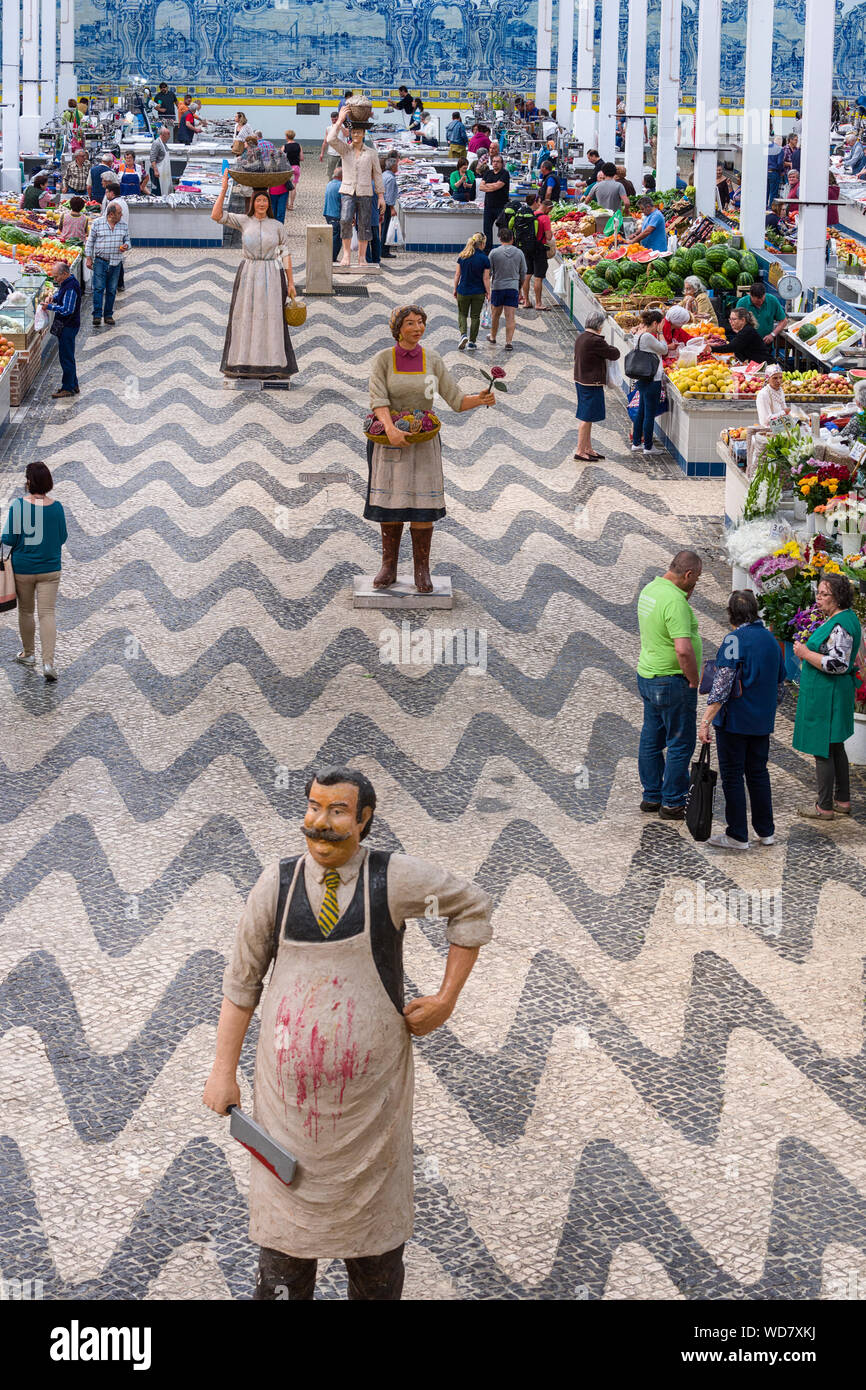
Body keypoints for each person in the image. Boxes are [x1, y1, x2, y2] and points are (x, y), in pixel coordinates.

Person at [203, 767, 492, 1301]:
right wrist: (223, 1071)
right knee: (285, 1252)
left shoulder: (393, 880)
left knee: (376, 1260)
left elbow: (469, 905)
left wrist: (447, 998)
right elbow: (241, 983)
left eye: (338, 811)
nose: (321, 823)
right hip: (286, 1114)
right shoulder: (278, 885)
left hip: (371, 1118)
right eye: (314, 808)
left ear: (363, 821)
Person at [365, 305, 495, 591]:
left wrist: (480, 399)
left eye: (421, 322)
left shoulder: (432, 360)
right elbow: (378, 398)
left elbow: (456, 400)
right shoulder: (383, 359)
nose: (417, 328)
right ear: (397, 328)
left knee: (423, 504)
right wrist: (390, 428)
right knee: (391, 503)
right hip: (390, 442)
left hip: (423, 442)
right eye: (410, 323)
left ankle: (422, 569)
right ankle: (388, 566)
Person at [698, 590, 786, 850]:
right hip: (762, 721)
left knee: (733, 775)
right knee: (758, 773)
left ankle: (737, 834)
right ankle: (766, 831)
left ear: (731, 614)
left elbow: (722, 684)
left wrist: (705, 720)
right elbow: (780, 683)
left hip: (735, 722)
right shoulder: (771, 639)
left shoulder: (734, 640)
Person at [211, 170, 298, 381]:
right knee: (247, 316)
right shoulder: (244, 221)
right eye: (258, 200)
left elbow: (285, 254)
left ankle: (272, 362)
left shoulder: (277, 226)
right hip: (249, 274)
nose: (261, 204)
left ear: (269, 204)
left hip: (272, 273)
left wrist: (291, 282)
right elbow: (216, 216)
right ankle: (245, 360)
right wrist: (223, 188)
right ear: (253, 203)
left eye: (264, 201)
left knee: (272, 318)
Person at [636, 550, 703, 818]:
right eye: (696, 578)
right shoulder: (675, 602)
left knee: (651, 739)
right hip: (672, 681)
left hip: (648, 676)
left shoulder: (650, 590)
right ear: (688, 574)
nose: (696, 583)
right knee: (680, 741)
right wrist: (693, 678)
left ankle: (651, 796)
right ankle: (673, 801)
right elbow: (683, 650)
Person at [792, 573, 862, 820]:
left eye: (824, 594)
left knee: (822, 749)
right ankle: (842, 800)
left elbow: (837, 664)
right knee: (836, 747)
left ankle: (824, 806)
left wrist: (804, 652)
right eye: (818, 593)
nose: (818, 598)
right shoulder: (845, 618)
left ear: (839, 598)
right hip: (833, 693)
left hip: (827, 695)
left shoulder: (840, 624)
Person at [2, 461, 68, 683]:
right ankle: (48, 662)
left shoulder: (19, 506)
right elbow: (63, 538)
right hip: (50, 569)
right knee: (47, 614)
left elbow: (8, 539)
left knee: (27, 612)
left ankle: (28, 654)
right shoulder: (57, 507)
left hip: (24, 570)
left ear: (29, 482)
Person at [327, 106, 385, 270]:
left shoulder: (372, 153)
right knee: (345, 220)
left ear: (364, 134)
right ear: (351, 134)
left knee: (364, 224)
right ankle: (346, 254)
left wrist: (381, 196)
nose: (356, 135)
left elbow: (378, 174)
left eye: (359, 132)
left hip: (366, 191)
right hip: (347, 190)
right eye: (354, 132)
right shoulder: (345, 150)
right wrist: (339, 120)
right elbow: (331, 139)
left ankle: (361, 257)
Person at [573, 307, 621, 462]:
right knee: (586, 417)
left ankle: (588, 448)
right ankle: (580, 450)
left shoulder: (581, 337)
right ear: (599, 326)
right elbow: (614, 353)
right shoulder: (595, 341)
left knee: (589, 416)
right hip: (590, 383)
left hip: (581, 379)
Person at [85, 202, 129, 328]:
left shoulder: (123, 225)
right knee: (98, 288)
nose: (122, 215)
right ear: (111, 214)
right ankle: (97, 315)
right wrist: (88, 258)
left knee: (111, 289)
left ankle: (108, 315)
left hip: (116, 262)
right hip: (100, 260)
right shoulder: (98, 223)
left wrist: (126, 246)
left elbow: (128, 241)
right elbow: (90, 242)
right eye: (119, 213)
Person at [630, 309, 667, 454]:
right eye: (659, 324)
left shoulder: (638, 335)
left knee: (641, 411)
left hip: (641, 377)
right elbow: (663, 350)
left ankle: (636, 443)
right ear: (655, 323)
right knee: (649, 414)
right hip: (652, 378)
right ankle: (648, 446)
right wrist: (661, 333)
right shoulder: (647, 337)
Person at [43, 259, 81, 399]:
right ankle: (73, 384)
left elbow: (67, 309)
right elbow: (62, 296)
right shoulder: (67, 283)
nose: (55, 279)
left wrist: (50, 307)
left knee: (66, 358)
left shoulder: (71, 286)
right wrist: (53, 297)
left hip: (68, 326)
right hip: (68, 326)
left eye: (56, 277)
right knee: (68, 356)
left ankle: (68, 388)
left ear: (65, 274)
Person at [487, 226, 525, 350]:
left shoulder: (494, 253)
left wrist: (488, 289)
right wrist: (519, 287)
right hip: (512, 287)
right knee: (510, 316)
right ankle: (508, 342)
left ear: (500, 238)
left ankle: (493, 337)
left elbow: (489, 272)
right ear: (512, 239)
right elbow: (523, 272)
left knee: (495, 315)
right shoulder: (519, 253)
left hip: (498, 287)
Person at [453, 230, 490, 351]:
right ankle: (472, 342)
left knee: (462, 314)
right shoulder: (484, 259)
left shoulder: (462, 256)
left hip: (463, 290)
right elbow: (486, 278)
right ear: (482, 244)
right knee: (475, 317)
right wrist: (488, 292)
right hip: (478, 292)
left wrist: (455, 289)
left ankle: (463, 334)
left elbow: (457, 275)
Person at [518, 192, 551, 311]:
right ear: (548, 208)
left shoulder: (531, 215)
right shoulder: (544, 218)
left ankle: (526, 301)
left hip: (527, 248)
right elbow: (549, 237)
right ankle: (538, 303)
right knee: (538, 277)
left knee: (527, 276)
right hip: (539, 249)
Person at [735, 281, 787, 349]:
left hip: (765, 345)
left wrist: (772, 335)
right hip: (746, 346)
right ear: (750, 295)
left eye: (762, 300)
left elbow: (784, 321)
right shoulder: (742, 303)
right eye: (757, 302)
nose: (760, 303)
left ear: (764, 294)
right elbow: (735, 324)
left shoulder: (772, 300)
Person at [478, 150, 510, 252]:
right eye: (494, 161)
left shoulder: (505, 174)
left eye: (498, 161)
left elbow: (497, 186)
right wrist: (492, 186)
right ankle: (487, 252)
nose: (495, 163)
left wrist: (490, 186)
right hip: (488, 207)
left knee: (503, 231)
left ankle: (504, 250)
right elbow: (481, 187)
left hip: (501, 207)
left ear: (502, 164)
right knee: (487, 231)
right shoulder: (488, 173)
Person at [323, 163, 343, 261]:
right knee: (336, 238)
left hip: (328, 213)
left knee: (333, 236)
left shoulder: (329, 184)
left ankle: (331, 257)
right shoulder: (341, 186)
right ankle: (332, 258)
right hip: (336, 214)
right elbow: (344, 202)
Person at [381, 154, 398, 258]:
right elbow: (390, 195)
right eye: (396, 166)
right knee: (386, 229)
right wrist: (392, 208)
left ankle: (381, 250)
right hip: (387, 206)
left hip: (381, 204)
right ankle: (384, 251)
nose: (397, 167)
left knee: (382, 228)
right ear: (393, 167)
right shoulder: (391, 178)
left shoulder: (384, 175)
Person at [149, 126, 173, 197]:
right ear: (163, 135)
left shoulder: (164, 143)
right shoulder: (157, 143)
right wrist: (155, 170)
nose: (170, 136)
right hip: (157, 171)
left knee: (164, 190)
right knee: (157, 191)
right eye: (168, 134)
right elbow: (152, 158)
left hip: (163, 172)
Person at [284, 130, 302, 212]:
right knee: (294, 186)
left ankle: (286, 204)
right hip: (296, 167)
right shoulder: (298, 145)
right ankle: (292, 204)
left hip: (288, 168)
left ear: (286, 136)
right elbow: (302, 158)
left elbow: (281, 158)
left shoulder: (284, 146)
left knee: (287, 186)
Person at [320, 112, 341, 177]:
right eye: (332, 120)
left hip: (342, 154)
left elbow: (347, 135)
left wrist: (340, 126)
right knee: (330, 172)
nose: (334, 121)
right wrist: (322, 153)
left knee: (342, 172)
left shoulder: (343, 127)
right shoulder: (328, 128)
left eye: (336, 120)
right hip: (332, 153)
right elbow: (325, 142)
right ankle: (330, 185)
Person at [766, 137, 786, 207]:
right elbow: (780, 162)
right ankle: (770, 209)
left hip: (766, 172)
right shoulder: (780, 150)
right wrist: (782, 171)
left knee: (766, 191)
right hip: (774, 172)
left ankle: (763, 207)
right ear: (780, 142)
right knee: (773, 193)